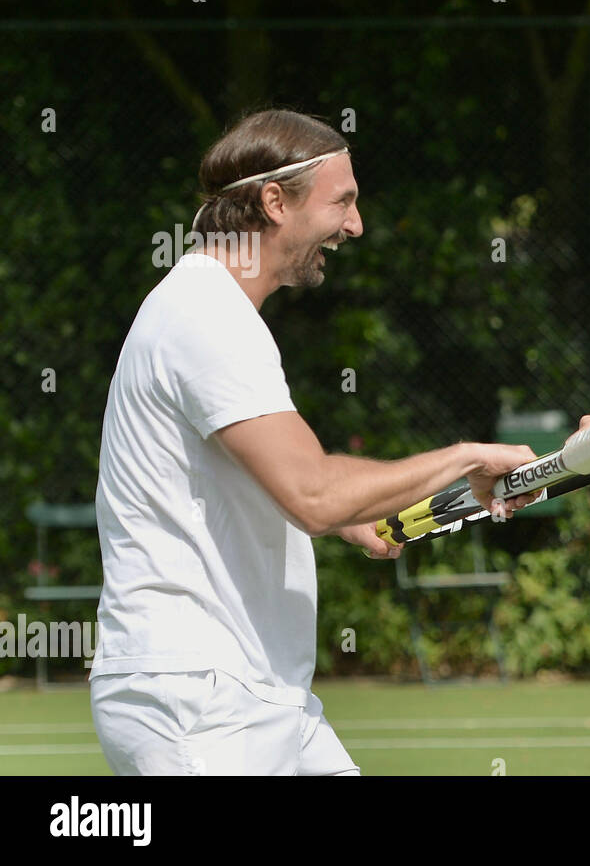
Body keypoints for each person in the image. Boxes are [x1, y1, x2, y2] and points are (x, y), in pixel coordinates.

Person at [91, 109, 537, 775]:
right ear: (275, 202)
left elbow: (300, 486)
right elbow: (313, 494)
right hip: (201, 702)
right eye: (344, 201)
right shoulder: (206, 317)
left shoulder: (208, 308)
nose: (356, 225)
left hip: (261, 694)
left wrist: (386, 508)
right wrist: (466, 457)